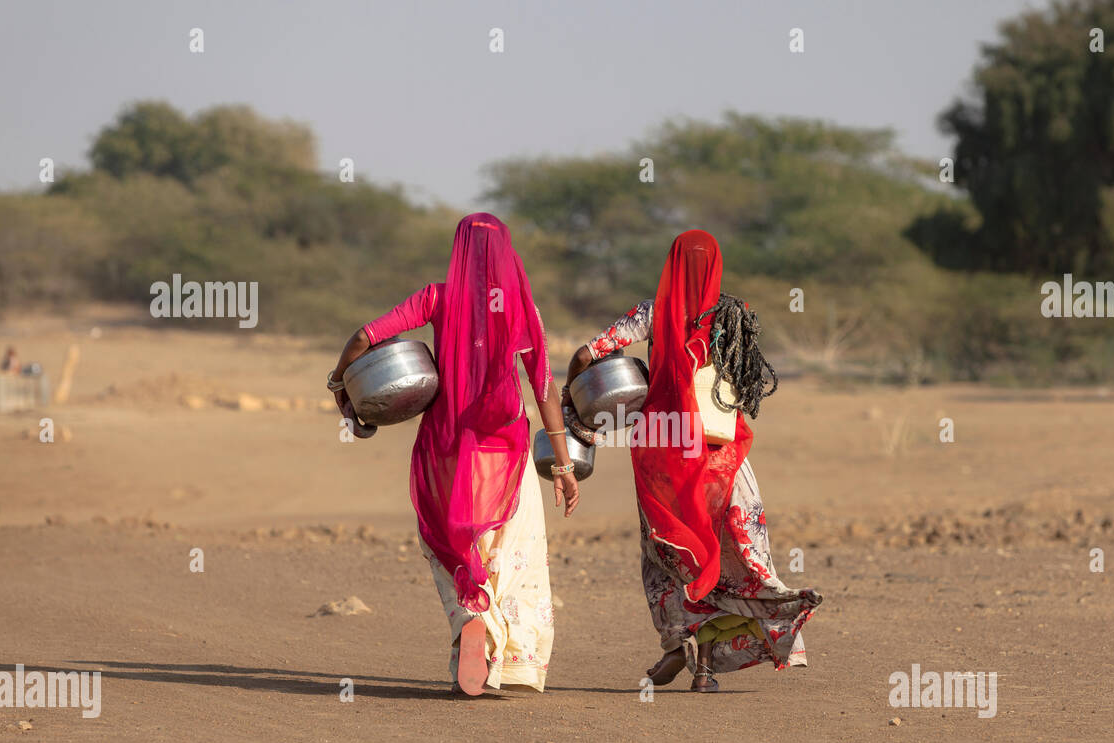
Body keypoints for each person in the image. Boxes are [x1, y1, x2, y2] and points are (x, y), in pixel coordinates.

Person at [330, 213, 579, 696]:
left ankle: (471, 616)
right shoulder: (523, 307)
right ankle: (508, 657)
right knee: (513, 545)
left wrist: (339, 378)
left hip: (447, 442)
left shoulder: (437, 296)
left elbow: (365, 336)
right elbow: (544, 385)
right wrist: (564, 466)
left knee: (453, 537)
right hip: (503, 441)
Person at [564, 230, 821, 692]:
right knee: (728, 555)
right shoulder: (733, 315)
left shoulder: (652, 312)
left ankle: (676, 642)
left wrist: (571, 397)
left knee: (671, 554)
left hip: (665, 456)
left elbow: (587, 354)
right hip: (722, 458)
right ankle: (706, 665)